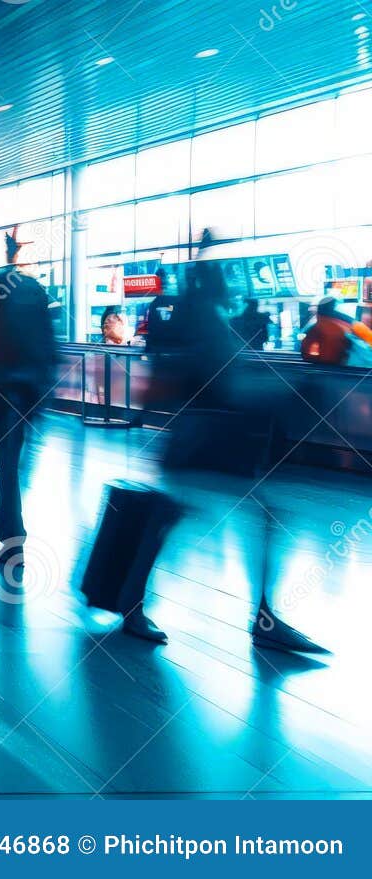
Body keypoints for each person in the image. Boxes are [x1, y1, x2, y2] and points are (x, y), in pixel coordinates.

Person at [135, 231, 325, 651]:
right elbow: (228, 387)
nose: (236, 284)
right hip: (207, 446)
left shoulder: (201, 319)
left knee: (178, 519)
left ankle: (130, 600)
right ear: (216, 284)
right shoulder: (208, 324)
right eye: (227, 277)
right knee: (250, 518)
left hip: (197, 444)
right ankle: (264, 620)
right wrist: (291, 390)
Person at [0, 231, 57, 555]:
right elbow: (50, 339)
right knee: (13, 462)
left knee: (6, 464)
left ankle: (13, 541)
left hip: (2, 385)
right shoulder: (36, 289)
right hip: (32, 388)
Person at [300, 296, 372, 365]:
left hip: (331, 365)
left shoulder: (317, 325)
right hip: (345, 365)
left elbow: (306, 350)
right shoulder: (349, 322)